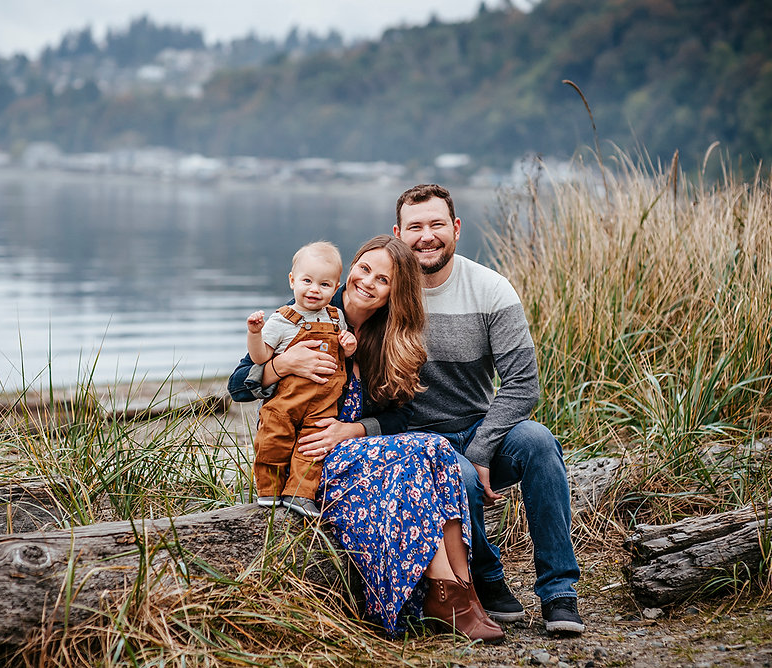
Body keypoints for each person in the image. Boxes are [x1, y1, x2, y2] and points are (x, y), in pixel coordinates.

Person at [230, 185, 584, 635]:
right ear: (399, 235)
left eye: (437, 224)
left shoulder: (477, 293)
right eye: (415, 227)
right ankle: (486, 581)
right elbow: (241, 382)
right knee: (451, 471)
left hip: (471, 428)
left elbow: (521, 385)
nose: (426, 236)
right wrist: (282, 363)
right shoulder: (328, 310)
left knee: (539, 442)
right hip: (408, 437)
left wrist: (480, 450)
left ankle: (558, 593)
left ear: (455, 228)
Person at [230, 235, 504, 642]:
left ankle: (462, 594)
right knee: (426, 449)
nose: (369, 282)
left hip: (353, 448)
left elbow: (401, 417)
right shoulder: (311, 308)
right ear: (350, 269)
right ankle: (450, 597)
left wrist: (351, 429)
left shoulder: (391, 333)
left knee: (433, 447)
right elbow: (238, 386)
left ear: (396, 291)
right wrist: (282, 364)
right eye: (364, 269)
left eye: (384, 279)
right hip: (309, 461)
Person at [245, 241, 357, 518]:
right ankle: (269, 492)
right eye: (307, 281)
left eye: (324, 284)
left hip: (323, 403)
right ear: (293, 281)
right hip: (286, 401)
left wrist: (349, 344)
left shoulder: (336, 317)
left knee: (312, 448)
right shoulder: (282, 320)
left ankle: (300, 494)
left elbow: (343, 353)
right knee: (273, 441)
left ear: (336, 287)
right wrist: (254, 334)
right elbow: (260, 358)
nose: (314, 289)